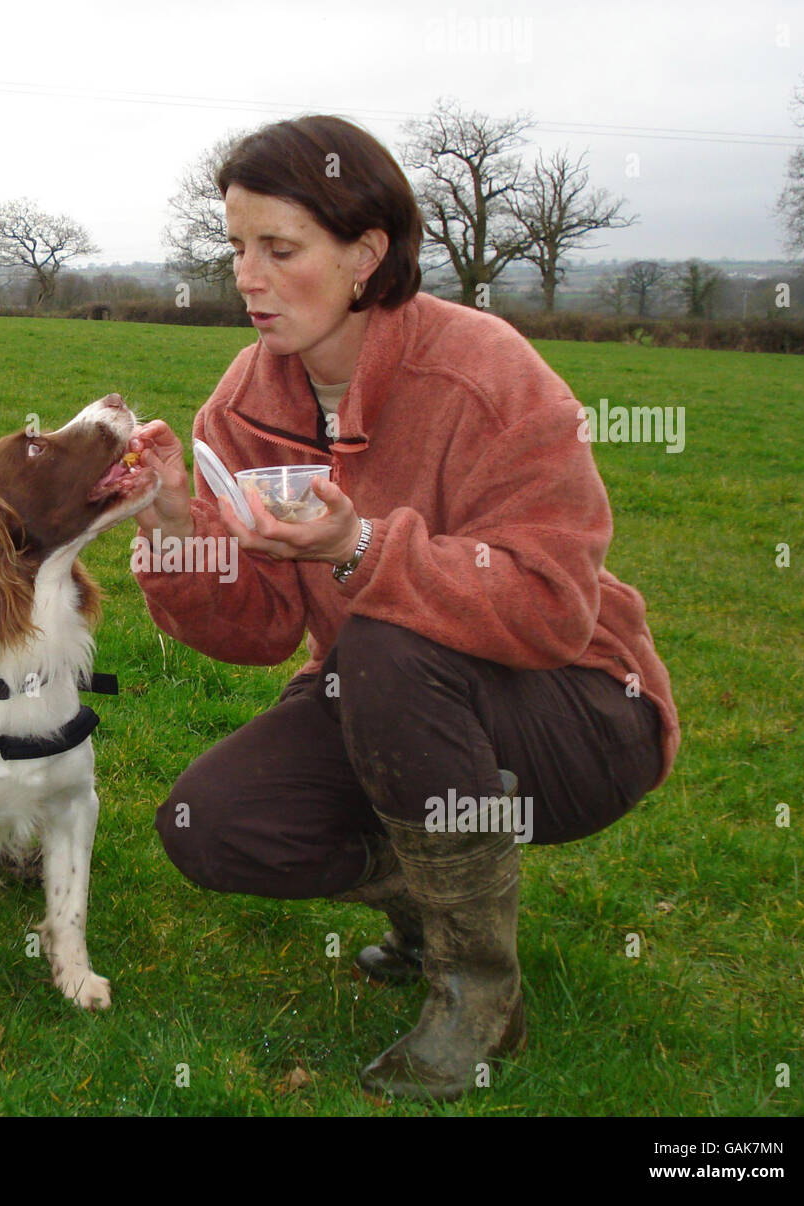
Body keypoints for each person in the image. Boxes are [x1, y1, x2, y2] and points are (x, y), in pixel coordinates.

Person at [127, 115, 679, 1104]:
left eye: (279, 250)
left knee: (383, 643)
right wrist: (177, 527)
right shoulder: (245, 403)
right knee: (208, 824)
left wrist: (359, 549)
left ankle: (478, 995)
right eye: (236, 248)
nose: (245, 277)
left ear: (366, 254)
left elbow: (553, 609)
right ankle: (432, 900)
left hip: (584, 711)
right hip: (386, 699)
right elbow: (256, 630)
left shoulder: (484, 373)